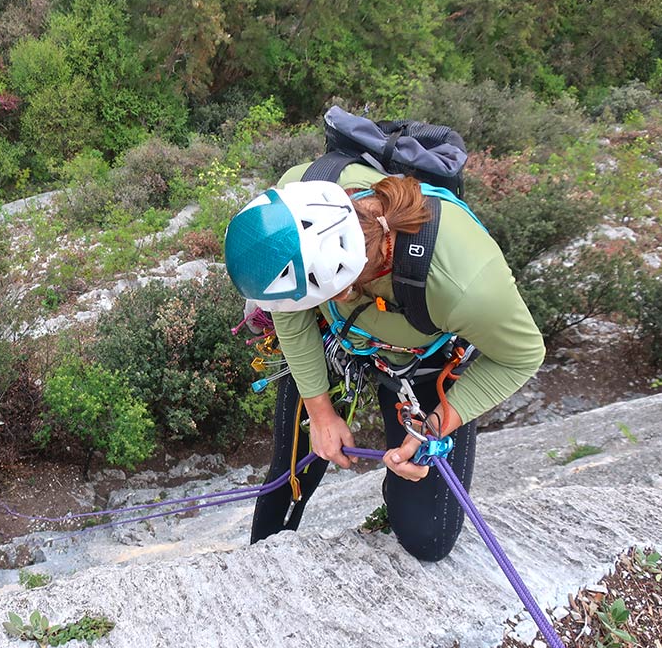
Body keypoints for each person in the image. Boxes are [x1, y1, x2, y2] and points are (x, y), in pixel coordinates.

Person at [224, 163, 545, 561]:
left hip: (423, 362)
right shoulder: (300, 194)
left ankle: (396, 500)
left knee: (427, 537)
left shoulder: (463, 286)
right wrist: (320, 411)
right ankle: (262, 560)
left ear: (341, 291)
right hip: (337, 339)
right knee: (290, 471)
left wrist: (437, 424)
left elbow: (522, 356)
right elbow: (291, 312)